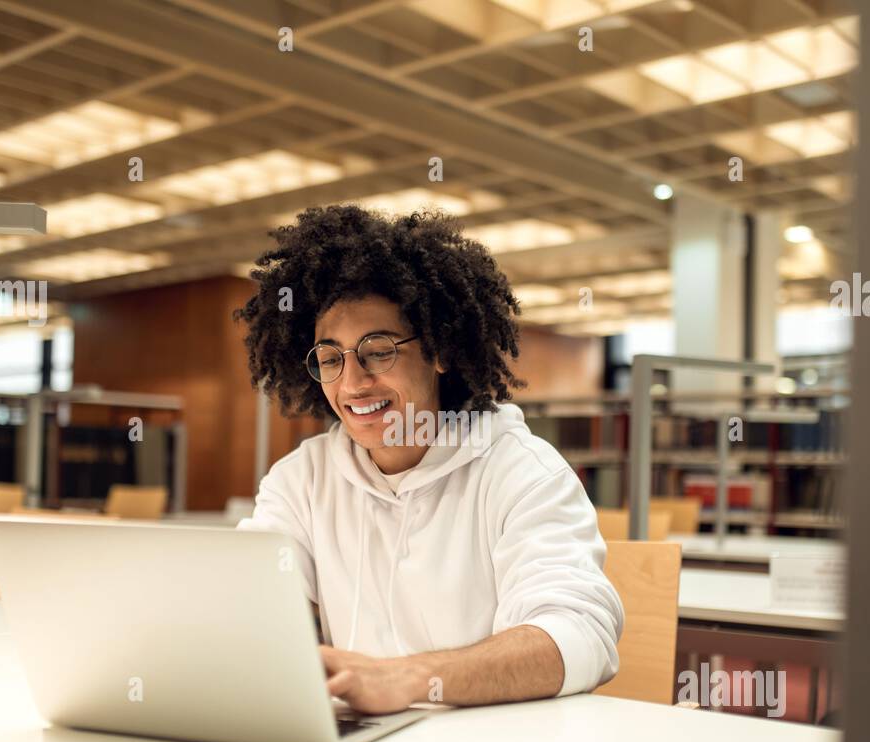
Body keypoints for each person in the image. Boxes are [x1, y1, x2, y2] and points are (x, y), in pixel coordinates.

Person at [234, 204, 622, 715]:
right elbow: (249, 607)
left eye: (377, 350)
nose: (352, 384)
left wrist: (407, 678)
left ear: (439, 351)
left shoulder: (522, 473)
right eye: (331, 358)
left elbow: (578, 636)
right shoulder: (302, 481)